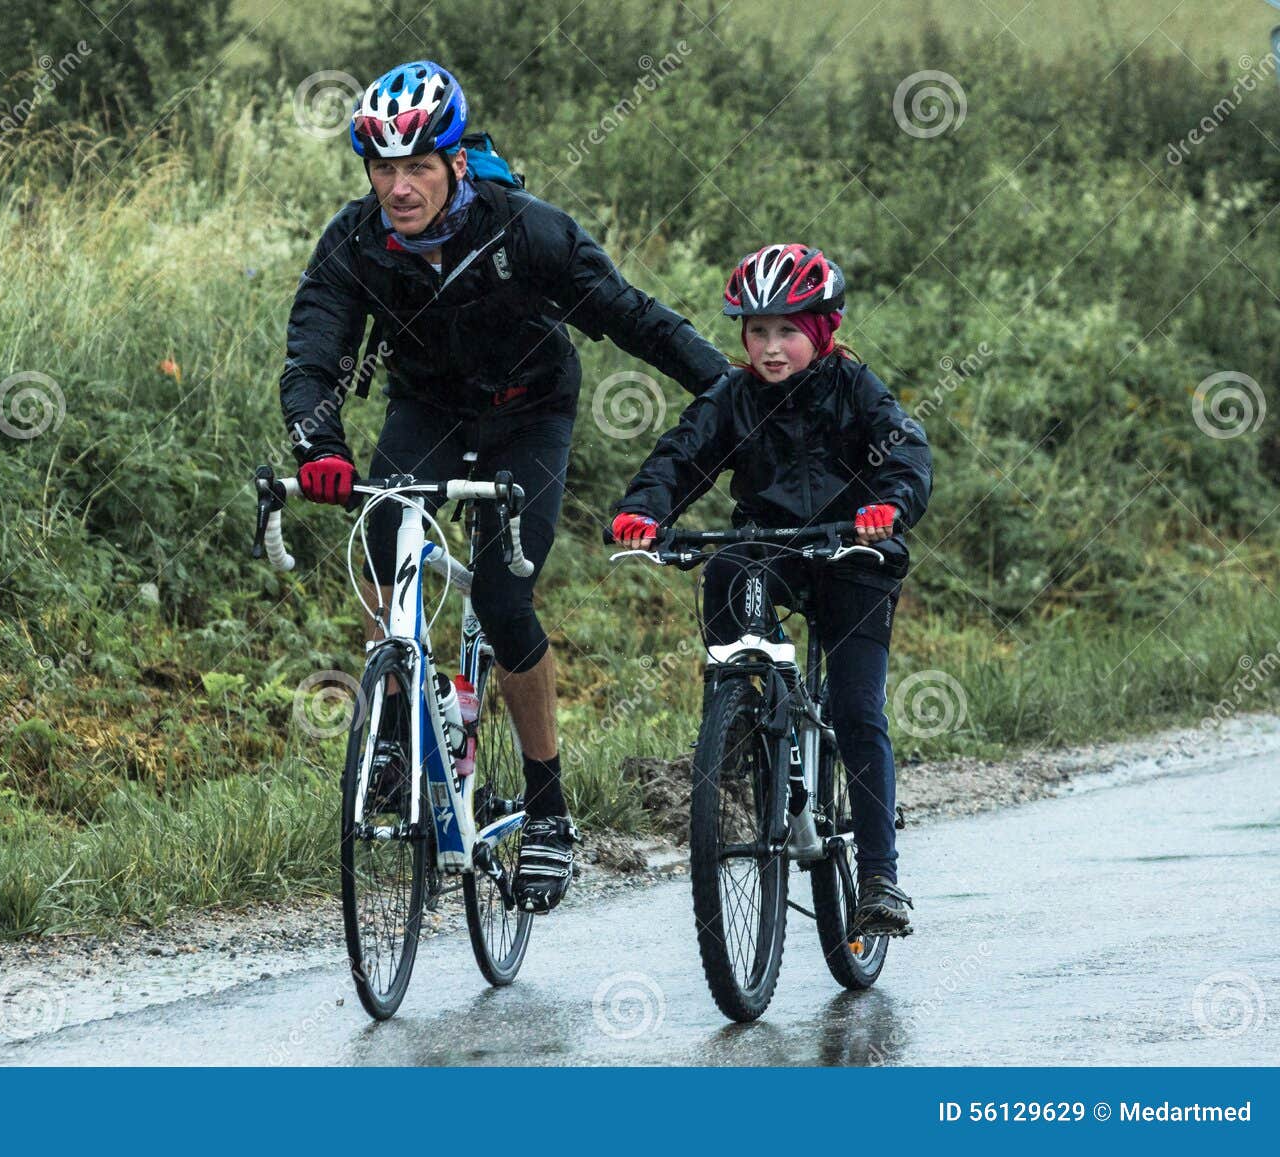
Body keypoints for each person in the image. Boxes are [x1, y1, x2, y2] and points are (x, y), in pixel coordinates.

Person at [279, 60, 731, 912]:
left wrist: (727, 388)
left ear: (455, 161)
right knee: (381, 529)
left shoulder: (527, 230)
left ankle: (550, 806)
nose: (400, 187)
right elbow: (315, 352)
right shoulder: (354, 241)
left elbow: (629, 314)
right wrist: (319, 443)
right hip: (430, 408)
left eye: (418, 167)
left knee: (500, 592)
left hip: (531, 413)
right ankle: (399, 721)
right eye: (384, 170)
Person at [609, 244, 932, 934]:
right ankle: (752, 705)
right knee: (728, 572)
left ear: (821, 330)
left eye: (787, 330)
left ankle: (880, 877)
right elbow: (682, 453)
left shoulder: (854, 388)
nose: (771, 347)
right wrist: (646, 510)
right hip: (772, 546)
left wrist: (889, 506)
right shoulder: (733, 395)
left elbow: (905, 448)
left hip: (854, 552)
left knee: (855, 707)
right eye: (757, 331)